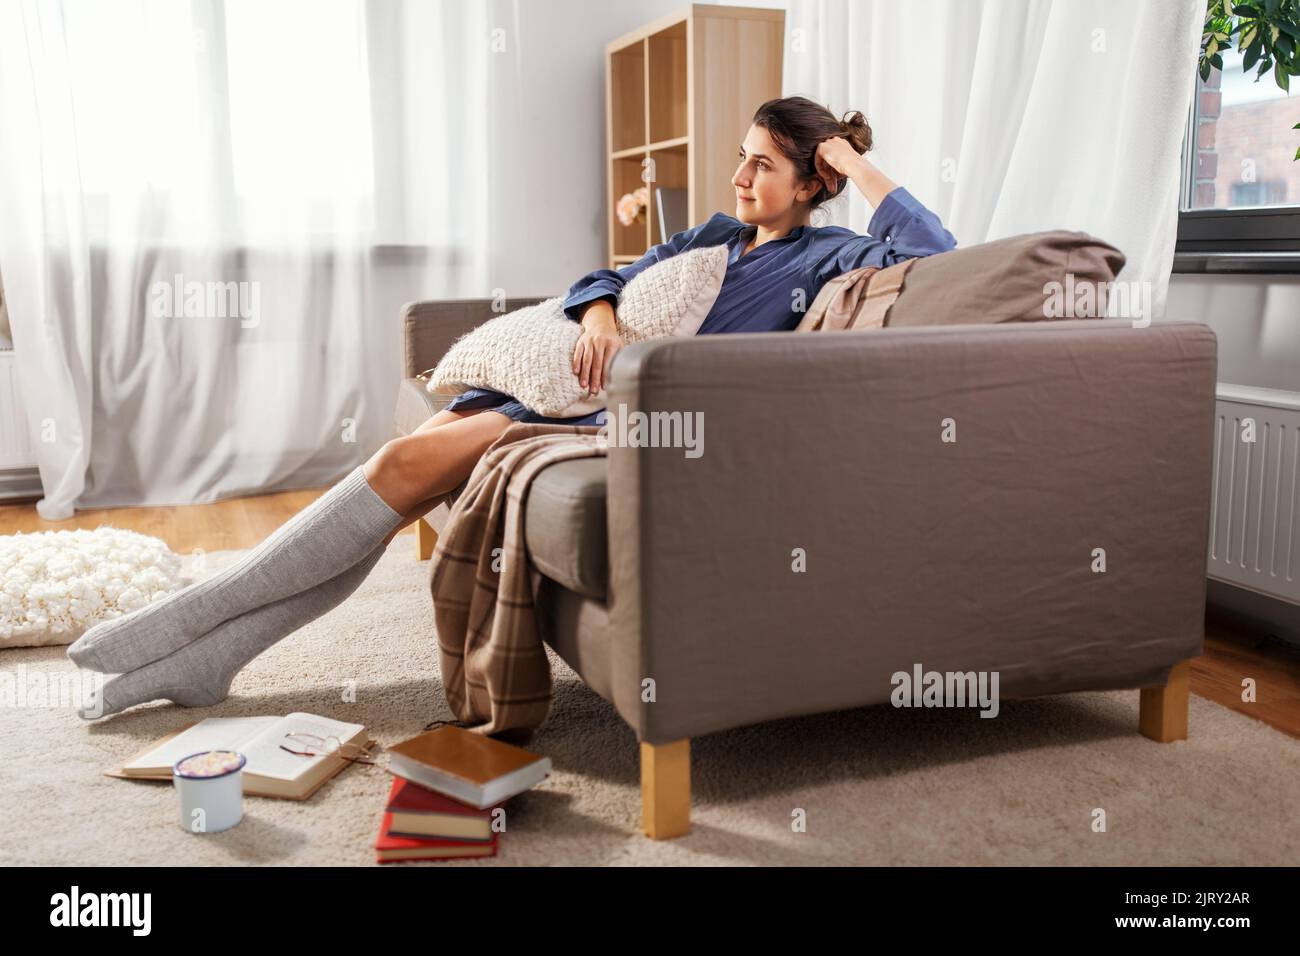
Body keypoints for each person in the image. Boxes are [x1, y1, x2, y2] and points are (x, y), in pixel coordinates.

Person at [67, 95, 957, 719]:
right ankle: (212, 656)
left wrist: (853, 160)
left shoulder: (831, 255)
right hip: (561, 381)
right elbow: (601, 275)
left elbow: (936, 247)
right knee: (397, 483)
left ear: (811, 181)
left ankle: (193, 624)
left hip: (616, 415)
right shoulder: (715, 235)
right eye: (740, 156)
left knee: (397, 470)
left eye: (762, 164)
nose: (739, 175)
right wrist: (604, 316)